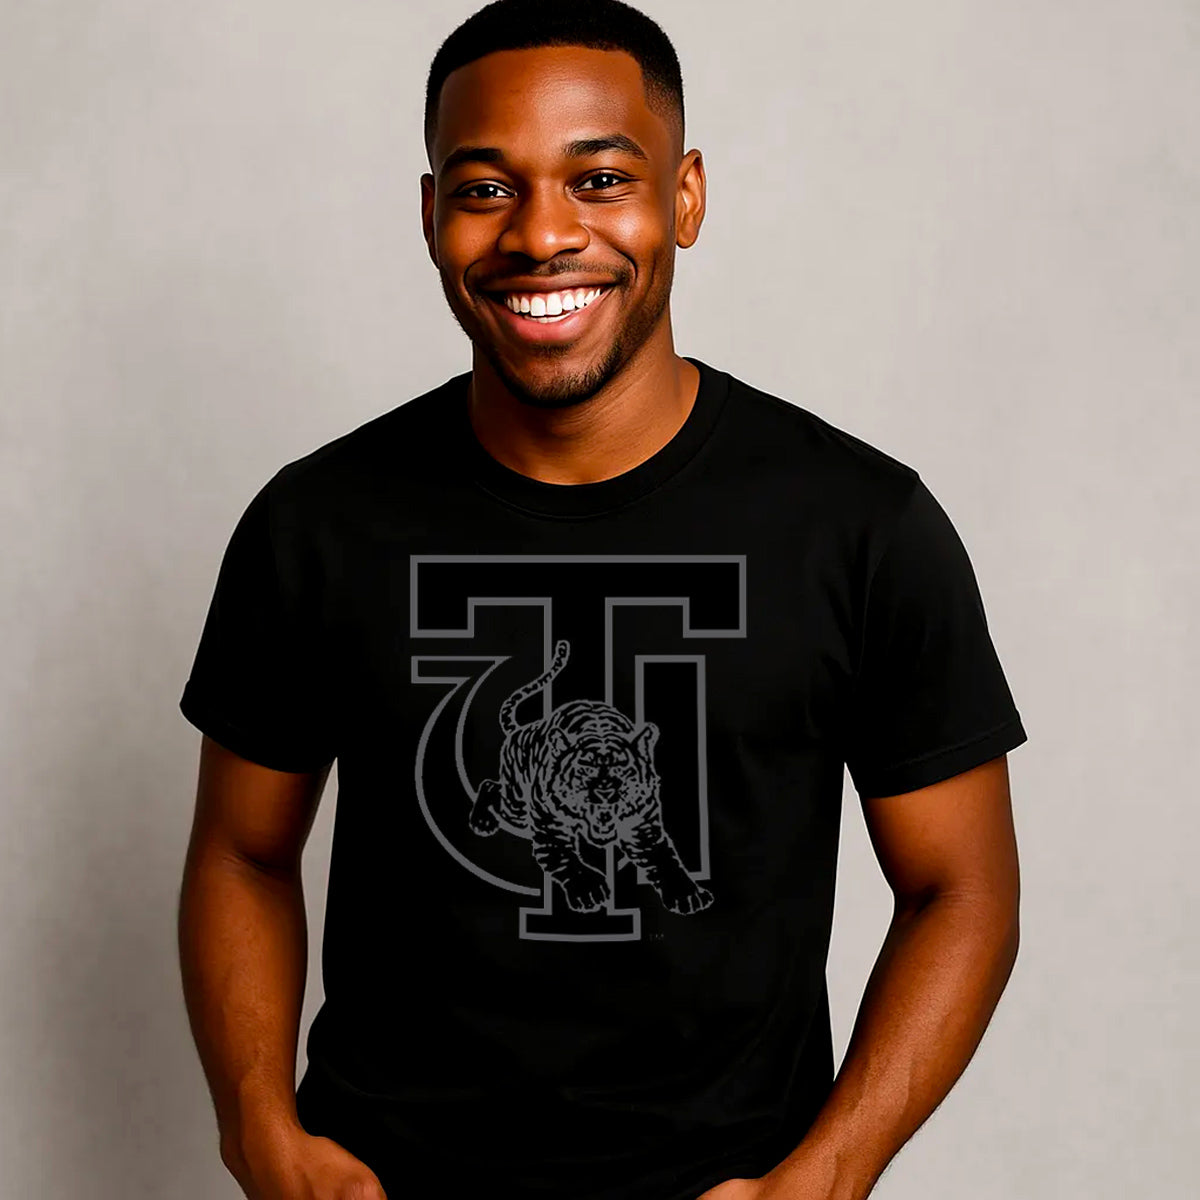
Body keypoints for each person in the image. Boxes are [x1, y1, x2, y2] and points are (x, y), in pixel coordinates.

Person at [176, 2, 1028, 1198]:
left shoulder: (862, 525)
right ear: (430, 216)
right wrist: (259, 1131)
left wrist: (829, 1176)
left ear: (684, 198)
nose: (541, 235)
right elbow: (241, 852)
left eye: (600, 179)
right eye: (486, 189)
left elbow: (964, 889)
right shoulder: (315, 522)